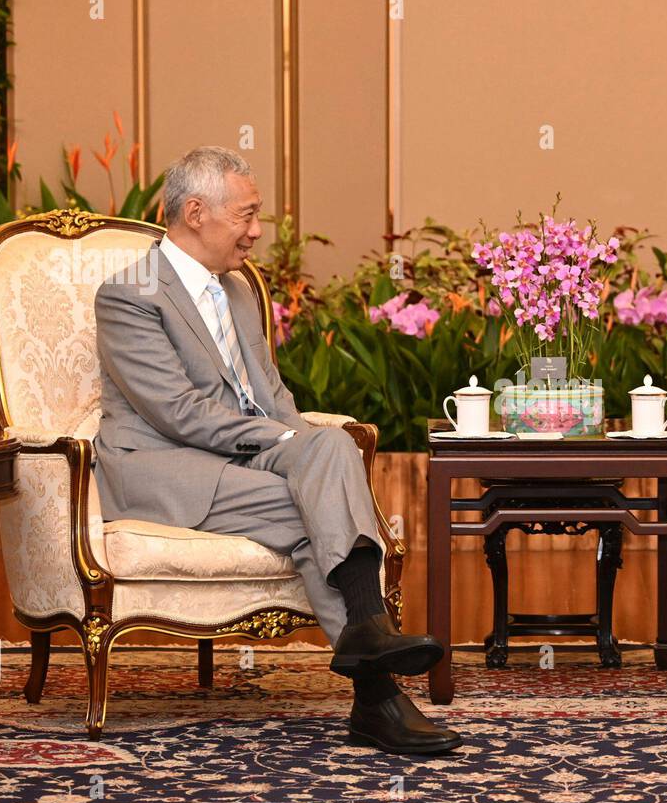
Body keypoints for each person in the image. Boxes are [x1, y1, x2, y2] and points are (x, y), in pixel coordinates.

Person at [94, 145, 460, 755]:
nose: (257, 233)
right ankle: (377, 690)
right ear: (194, 212)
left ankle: (369, 643)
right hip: (166, 469)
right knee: (311, 507)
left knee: (334, 451)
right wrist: (291, 443)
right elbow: (178, 414)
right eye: (247, 216)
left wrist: (308, 444)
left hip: (240, 455)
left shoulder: (235, 291)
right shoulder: (129, 294)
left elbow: (272, 396)